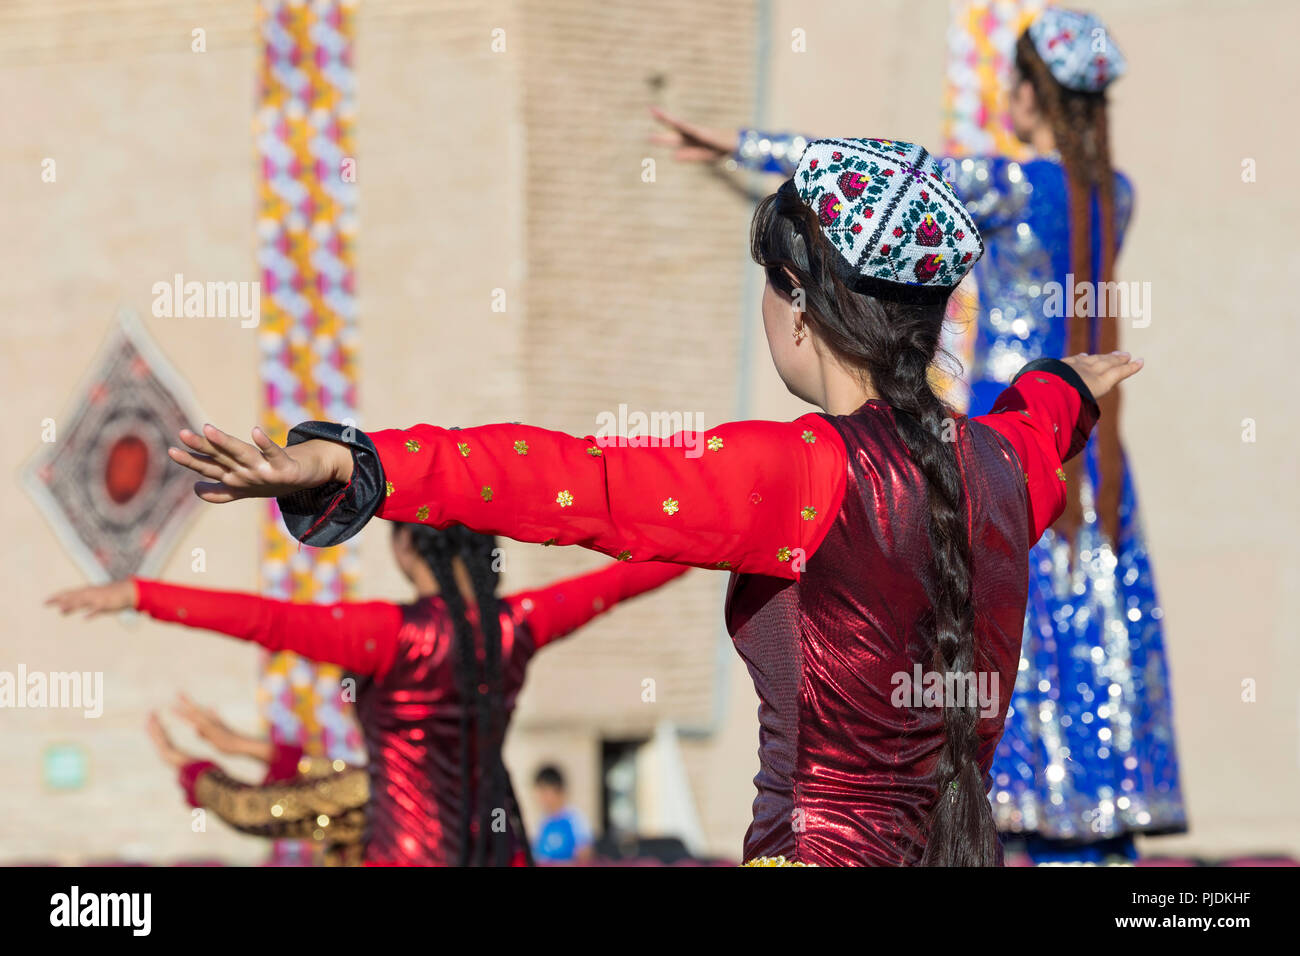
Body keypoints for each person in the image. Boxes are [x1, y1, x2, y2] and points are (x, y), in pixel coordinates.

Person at [163, 136, 1141, 866]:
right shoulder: (1002, 464)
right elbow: (1038, 421)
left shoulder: (798, 472)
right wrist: (1067, 384)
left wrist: (355, 462)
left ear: (797, 298)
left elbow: (573, 479)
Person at [650, 8, 1184, 863]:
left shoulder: (1015, 184)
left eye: (1014, 82)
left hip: (999, 441)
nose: (1005, 96)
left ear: (1032, 93)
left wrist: (738, 145)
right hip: (1076, 458)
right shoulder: (1112, 194)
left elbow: (877, 185)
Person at [48, 523, 688, 866]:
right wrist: (737, 536)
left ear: (409, 546)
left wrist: (141, 595)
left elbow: (264, 621)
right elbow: (625, 581)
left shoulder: (390, 634)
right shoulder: (519, 622)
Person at [144, 695, 369, 865]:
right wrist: (239, 745)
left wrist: (182, 761)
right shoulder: (386, 785)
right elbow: (342, 783)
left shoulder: (386, 797)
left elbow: (251, 810)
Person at [531, 764, 594, 863]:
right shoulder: (542, 822)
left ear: (558, 789)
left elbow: (586, 853)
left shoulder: (575, 819)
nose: (540, 797)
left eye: (544, 791)